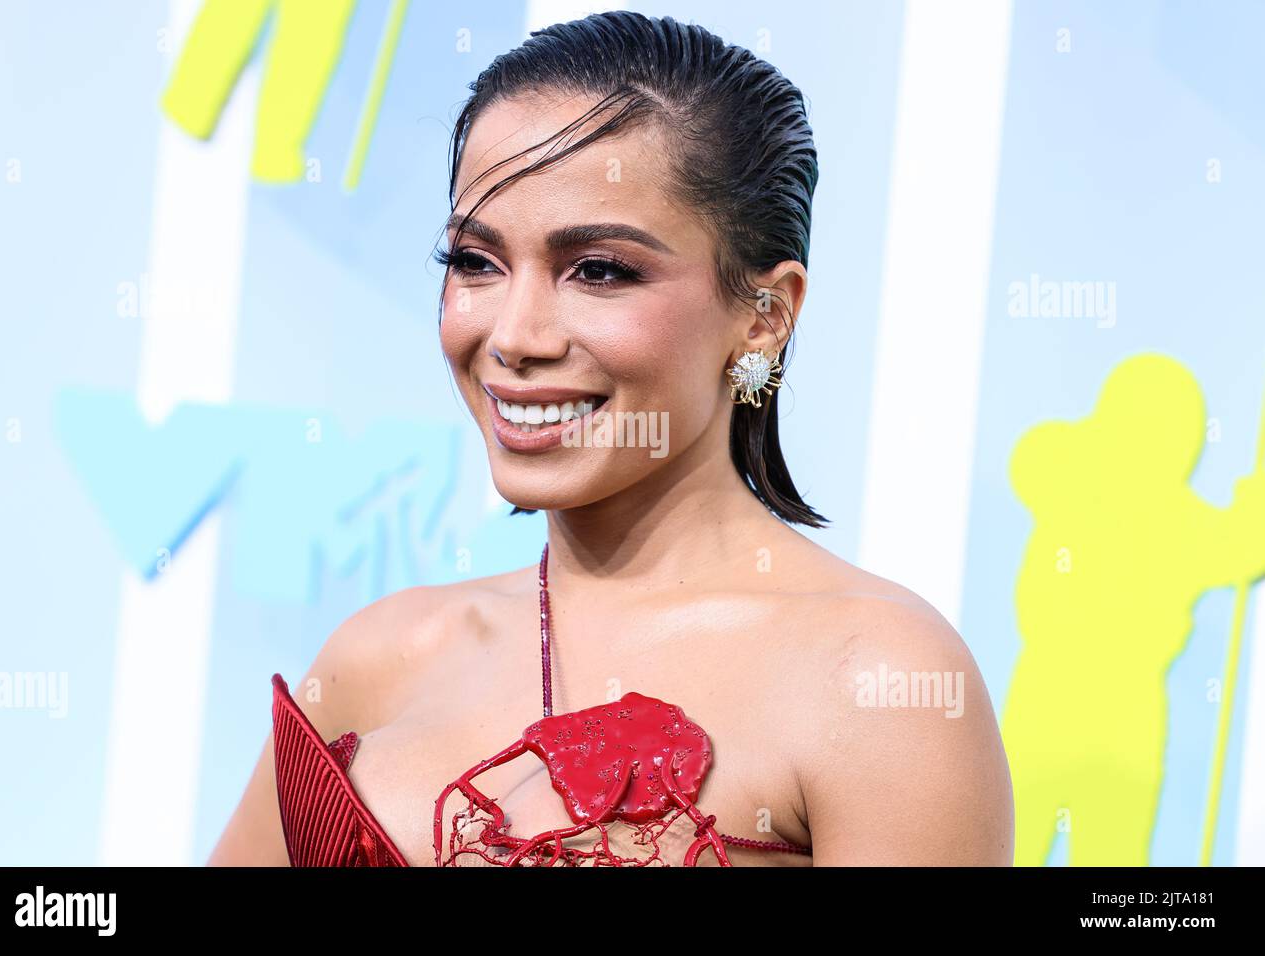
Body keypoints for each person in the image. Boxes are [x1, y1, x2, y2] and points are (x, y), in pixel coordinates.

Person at [208, 10, 1013, 867]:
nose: (516, 335)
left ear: (765, 314)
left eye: (598, 270)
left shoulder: (879, 682)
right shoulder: (378, 658)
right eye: (476, 262)